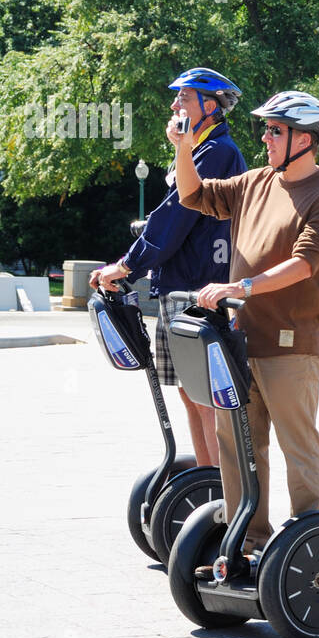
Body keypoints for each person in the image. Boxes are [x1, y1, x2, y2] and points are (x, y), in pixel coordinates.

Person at [171, 90, 319, 571]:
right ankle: (247, 546)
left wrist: (241, 287)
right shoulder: (254, 183)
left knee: (298, 449)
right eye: (265, 128)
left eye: (275, 130)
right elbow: (194, 196)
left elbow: (305, 263)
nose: (265, 137)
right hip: (240, 343)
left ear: (305, 140)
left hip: (292, 345)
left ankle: (312, 553)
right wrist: (183, 149)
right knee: (238, 447)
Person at [90, 68, 247, 469]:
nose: (175, 105)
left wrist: (129, 264)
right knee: (188, 394)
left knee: (204, 396)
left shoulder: (218, 152)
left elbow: (174, 217)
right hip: (178, 285)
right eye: (176, 98)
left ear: (209, 107)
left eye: (184, 99)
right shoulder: (196, 150)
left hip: (197, 289)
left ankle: (220, 486)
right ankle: (205, 475)